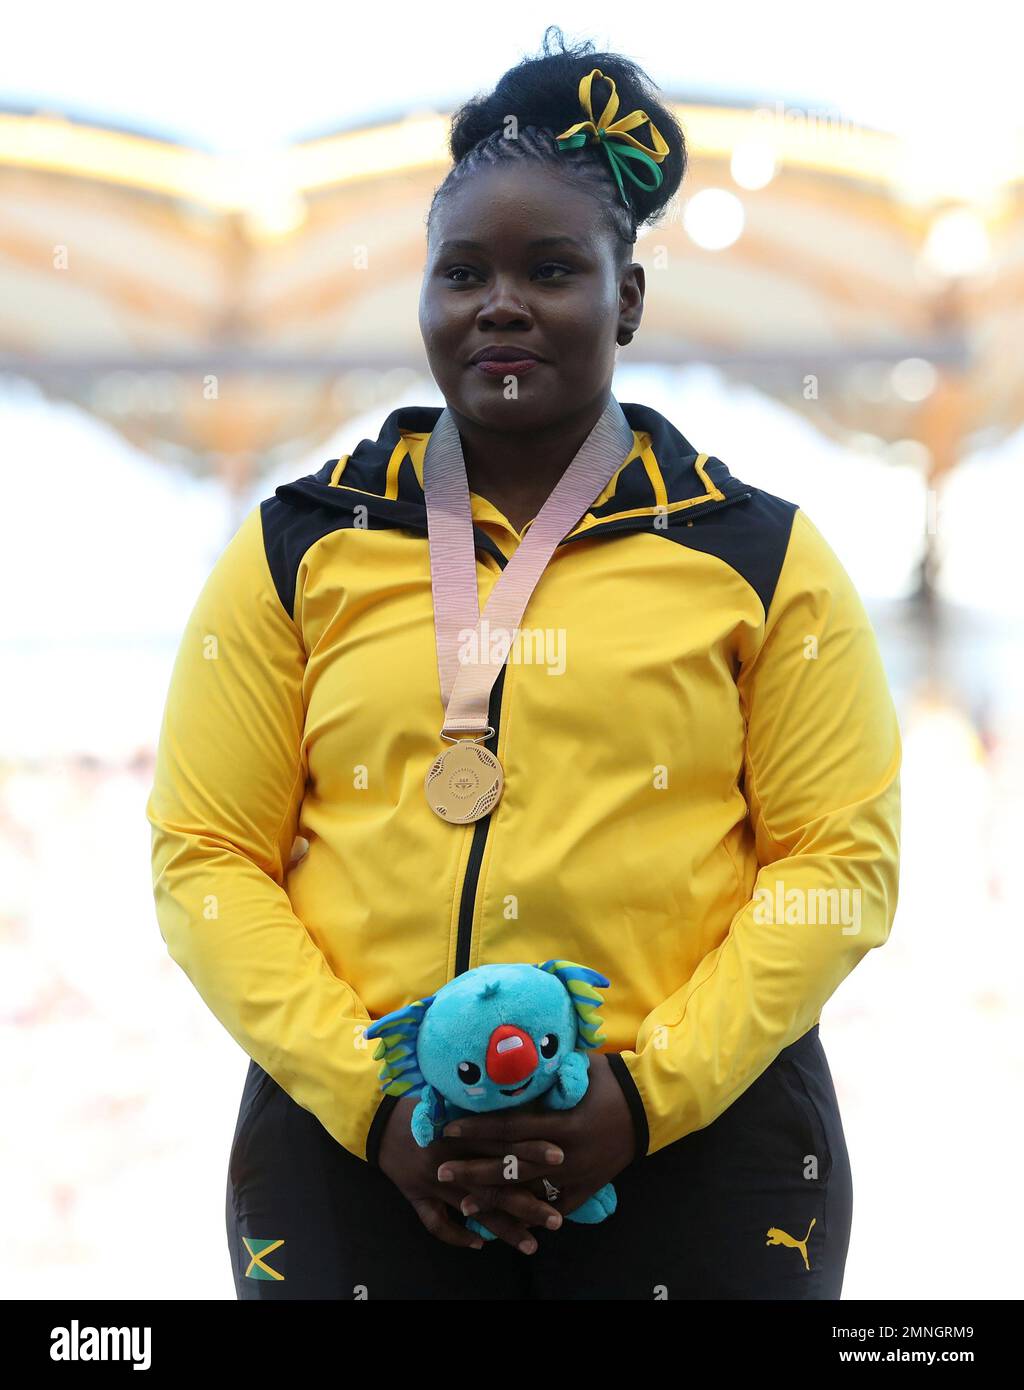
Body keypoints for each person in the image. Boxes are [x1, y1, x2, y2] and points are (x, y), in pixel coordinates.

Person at [146, 26, 901, 1300]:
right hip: (356, 1158)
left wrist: (643, 1097)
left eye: (550, 269)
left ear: (628, 299)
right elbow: (205, 855)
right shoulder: (299, 542)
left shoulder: (759, 553)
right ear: (426, 299)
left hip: (696, 1158)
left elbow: (840, 860)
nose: (499, 303)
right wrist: (373, 1100)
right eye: (461, 273)